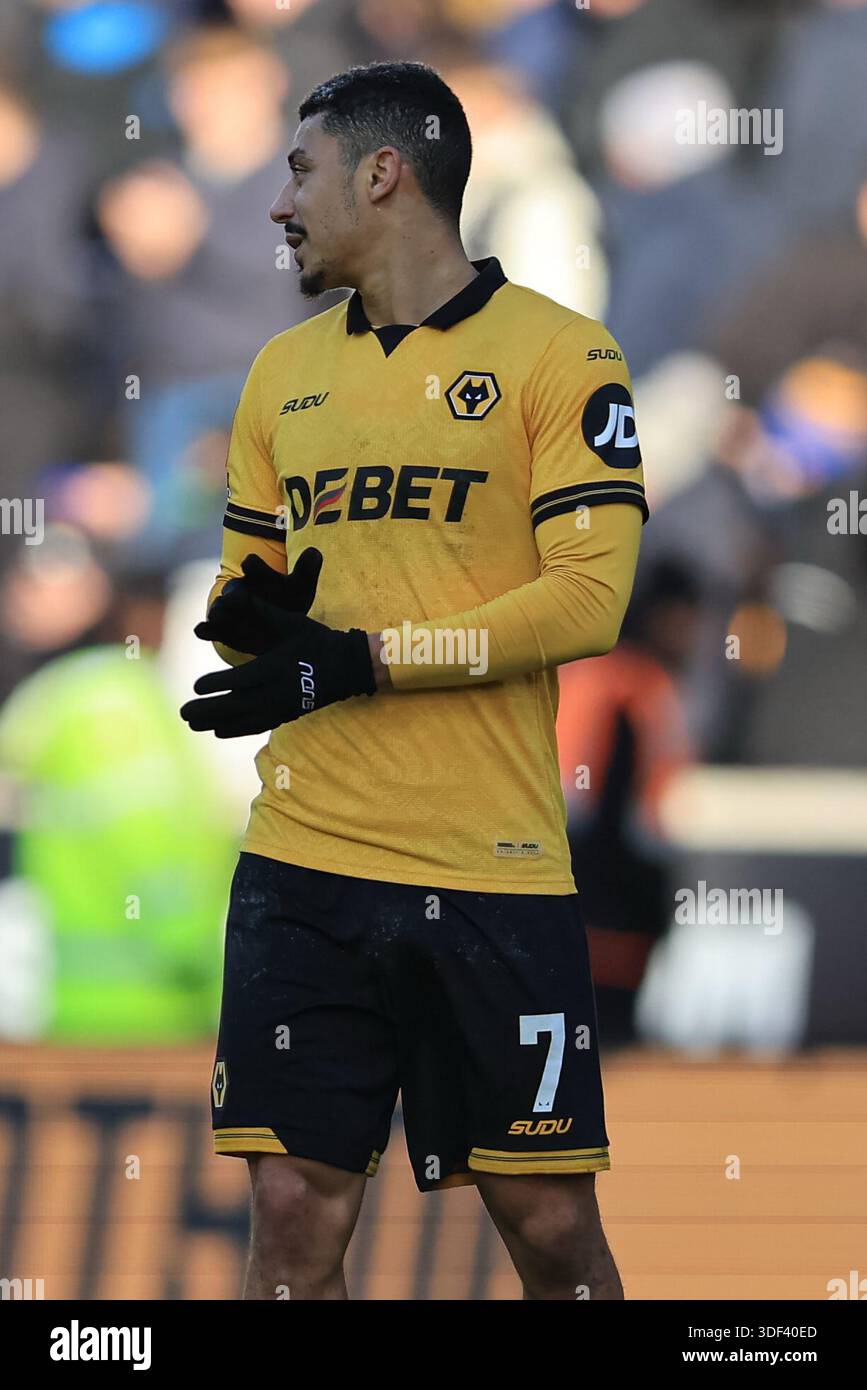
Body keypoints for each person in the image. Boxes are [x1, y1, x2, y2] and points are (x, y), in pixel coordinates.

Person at [181, 61, 648, 1301]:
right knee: (290, 1223)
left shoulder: (564, 355)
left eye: (300, 172)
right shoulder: (281, 373)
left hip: (486, 866)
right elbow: (254, 619)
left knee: (549, 1230)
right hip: (304, 859)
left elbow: (588, 599)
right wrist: (256, 632)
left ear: (383, 174)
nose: (279, 206)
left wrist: (362, 660)